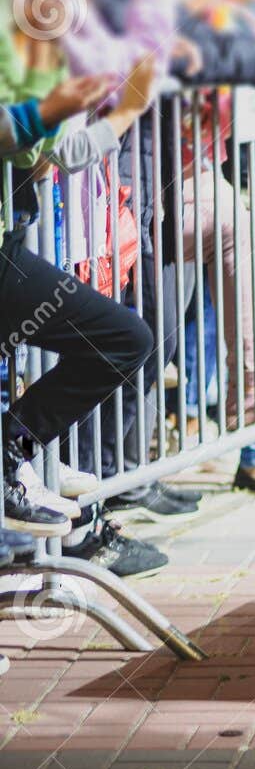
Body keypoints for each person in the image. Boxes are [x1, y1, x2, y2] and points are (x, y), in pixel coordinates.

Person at [0, 73, 158, 537]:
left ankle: (16, 447)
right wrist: (46, 113)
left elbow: (49, 157)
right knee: (124, 339)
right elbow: (40, 148)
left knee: (127, 340)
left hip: (11, 242)